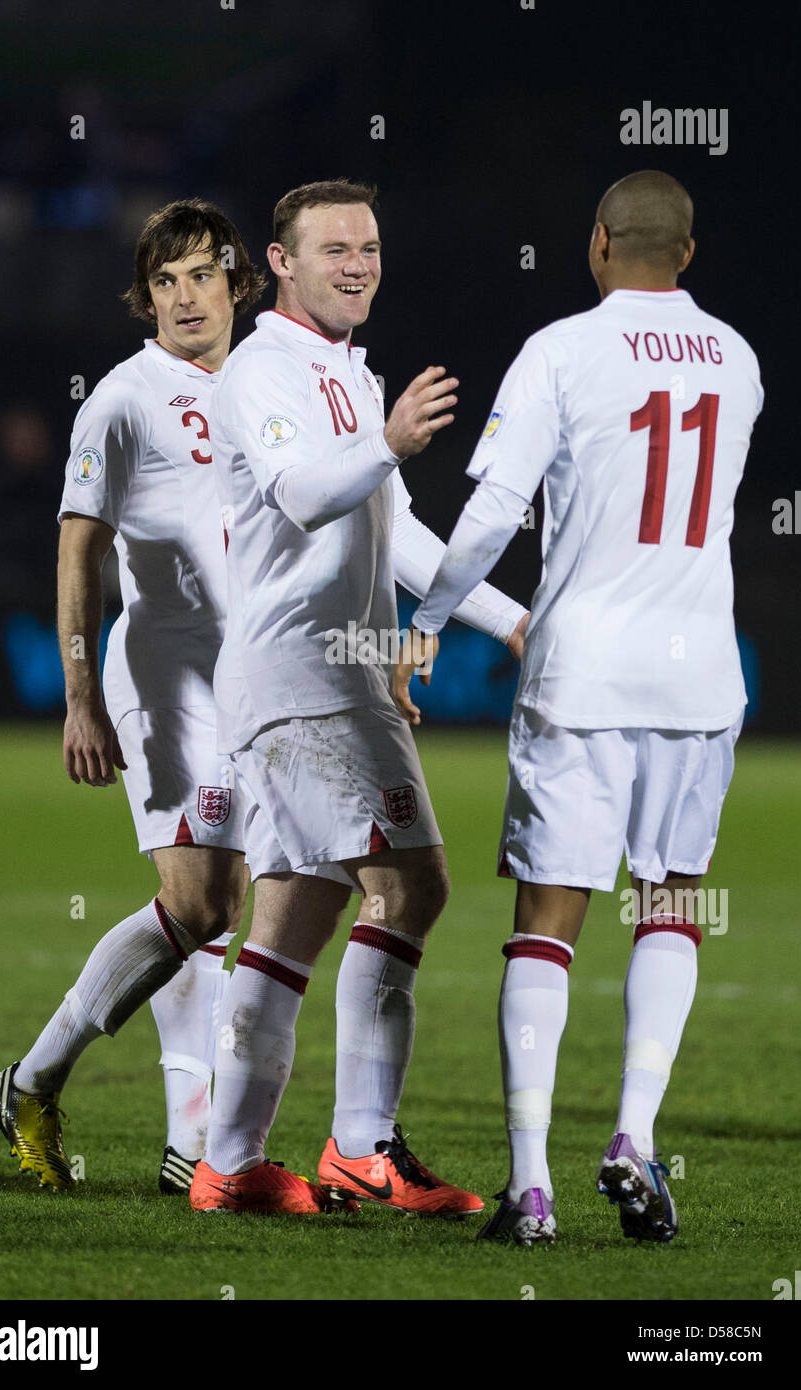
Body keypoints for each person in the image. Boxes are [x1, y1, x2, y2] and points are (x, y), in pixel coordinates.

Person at [394, 170, 763, 1245]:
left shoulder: (561, 349)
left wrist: (433, 613)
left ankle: (530, 1185)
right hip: (700, 679)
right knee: (673, 903)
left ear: (598, 242)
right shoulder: (738, 361)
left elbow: (496, 507)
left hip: (585, 673)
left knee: (547, 923)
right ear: (686, 254)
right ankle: (636, 1139)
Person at [190, 178, 529, 1217]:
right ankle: (361, 1147)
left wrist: (506, 618)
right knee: (412, 886)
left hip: (322, 670)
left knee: (299, 908)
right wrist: (384, 440)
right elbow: (300, 494)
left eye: (370, 246)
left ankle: (231, 1163)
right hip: (307, 674)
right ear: (280, 265)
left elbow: (395, 533)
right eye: (333, 248)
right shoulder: (261, 369)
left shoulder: (346, 368)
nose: (358, 263)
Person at [0, 200, 265, 1193]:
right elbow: (78, 548)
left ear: (237, 281)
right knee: (199, 900)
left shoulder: (276, 382)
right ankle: (43, 1083)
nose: (185, 296)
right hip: (161, 676)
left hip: (258, 680)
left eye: (201, 274)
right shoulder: (121, 399)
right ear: (144, 298)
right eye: (165, 281)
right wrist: (78, 696)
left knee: (217, 911)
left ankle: (177, 1125)